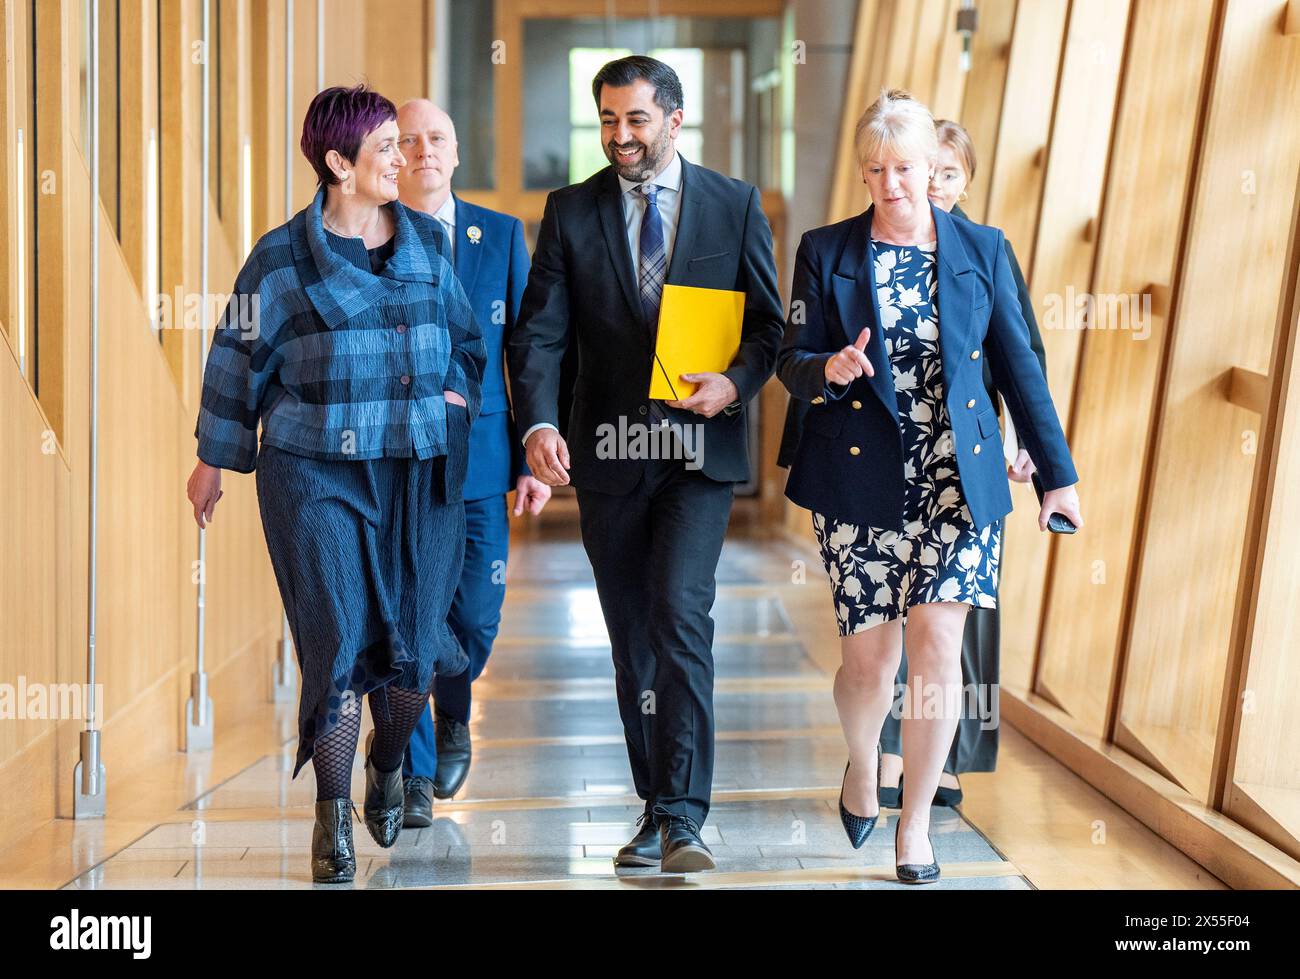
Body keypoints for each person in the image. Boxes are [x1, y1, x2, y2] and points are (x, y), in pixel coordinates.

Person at [776, 89, 1083, 883]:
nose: (893, 183)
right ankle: (858, 761)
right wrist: (829, 368)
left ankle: (915, 823)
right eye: (876, 169)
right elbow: (792, 356)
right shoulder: (826, 248)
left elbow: (1020, 366)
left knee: (937, 649)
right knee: (870, 665)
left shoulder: (980, 248)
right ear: (864, 172)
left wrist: (1057, 477)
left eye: (906, 167)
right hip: (860, 480)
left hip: (958, 481)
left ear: (932, 166)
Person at [186, 84, 486, 884]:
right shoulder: (281, 258)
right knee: (340, 645)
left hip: (419, 471)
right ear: (338, 164)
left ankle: (389, 766)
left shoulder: (426, 242)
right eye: (387, 147)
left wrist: (457, 392)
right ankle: (332, 819)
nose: (406, 158)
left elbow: (464, 340)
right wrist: (214, 457)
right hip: (312, 469)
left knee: (414, 657)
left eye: (405, 144)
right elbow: (235, 358)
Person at [508, 55, 785, 872]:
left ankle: (683, 816)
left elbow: (769, 327)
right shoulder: (569, 211)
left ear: (673, 116)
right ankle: (653, 804)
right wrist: (537, 427)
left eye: (634, 119)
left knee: (679, 616)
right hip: (607, 455)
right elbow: (541, 333)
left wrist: (732, 385)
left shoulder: (734, 206)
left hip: (697, 458)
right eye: (607, 120)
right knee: (632, 637)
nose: (619, 136)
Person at [869, 117, 1049, 808]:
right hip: (895, 457)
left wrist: (1028, 443)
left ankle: (946, 759)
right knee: (895, 618)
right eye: (927, 170)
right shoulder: (883, 242)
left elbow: (1023, 355)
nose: (936, 185)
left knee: (955, 624)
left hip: (968, 463)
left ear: (966, 180)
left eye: (950, 174)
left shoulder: (984, 250)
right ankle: (888, 751)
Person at [394, 99, 552, 825]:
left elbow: (525, 351)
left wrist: (529, 449)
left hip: (486, 457)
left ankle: (455, 708)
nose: (423, 150)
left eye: (436, 139)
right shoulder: (372, 233)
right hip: (400, 457)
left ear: (456, 153)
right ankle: (415, 770)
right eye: (409, 140)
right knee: (410, 613)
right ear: (392, 154)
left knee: (475, 615)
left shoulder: (502, 235)